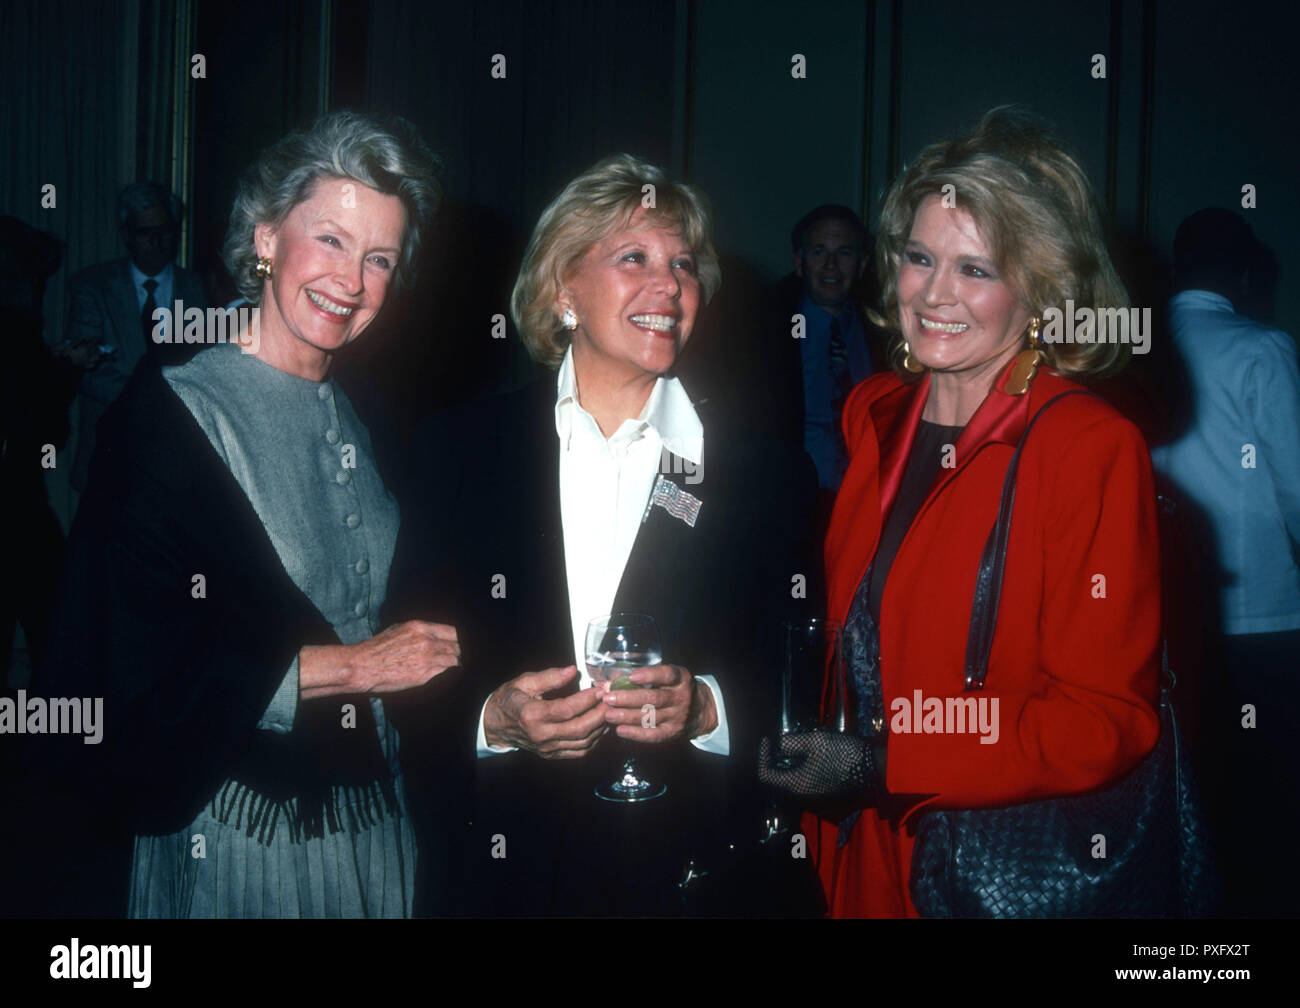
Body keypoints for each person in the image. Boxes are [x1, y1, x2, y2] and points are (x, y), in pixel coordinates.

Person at [36, 110, 458, 918]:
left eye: (380, 259)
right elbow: (123, 670)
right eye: (330, 240)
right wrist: (356, 668)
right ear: (264, 238)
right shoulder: (168, 417)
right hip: (236, 836)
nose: (352, 281)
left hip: (378, 820)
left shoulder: (374, 409)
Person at [387, 154, 822, 917]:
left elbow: (803, 688)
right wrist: (495, 719)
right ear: (563, 289)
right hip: (506, 874)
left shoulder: (763, 472)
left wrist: (708, 710)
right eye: (635, 258)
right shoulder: (459, 449)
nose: (669, 285)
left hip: (692, 878)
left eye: (683, 265)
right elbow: (407, 666)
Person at [758, 107, 1163, 917]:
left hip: (979, 865)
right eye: (918, 257)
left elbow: (1103, 720)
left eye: (976, 270)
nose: (935, 294)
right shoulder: (874, 418)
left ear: (1041, 289)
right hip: (848, 858)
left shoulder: (1087, 446)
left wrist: (885, 761)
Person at [1150, 208, 1300, 916]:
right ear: (1245, 275)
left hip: (1164, 614)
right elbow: (1298, 485)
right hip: (1263, 617)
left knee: (1192, 794)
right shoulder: (1262, 347)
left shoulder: (1137, 351)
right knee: (1266, 797)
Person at [64, 182, 210, 493]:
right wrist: (151, 401)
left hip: (178, 455)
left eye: (164, 231)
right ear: (126, 234)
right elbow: (84, 370)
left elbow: (207, 364)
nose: (156, 242)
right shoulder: (92, 286)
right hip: (109, 452)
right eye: (145, 233)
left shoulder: (199, 289)